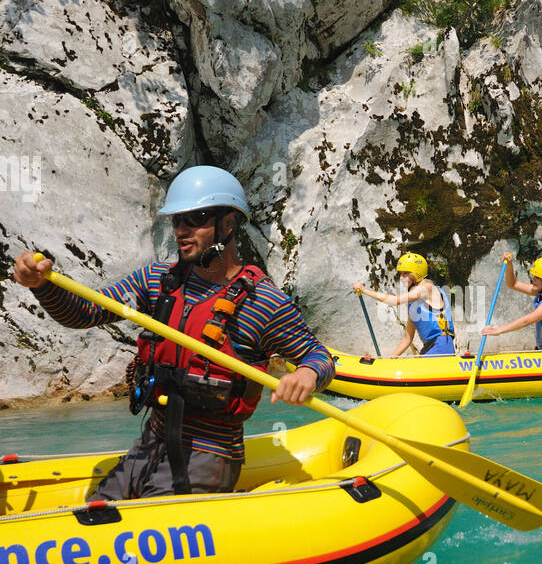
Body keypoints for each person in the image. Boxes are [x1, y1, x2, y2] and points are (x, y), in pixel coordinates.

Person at [12, 166, 335, 498]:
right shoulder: (156, 281)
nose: (182, 230)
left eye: (196, 218)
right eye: (177, 220)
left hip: (210, 454)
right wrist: (42, 286)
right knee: (97, 512)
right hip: (151, 440)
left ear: (228, 224)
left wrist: (309, 373)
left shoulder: (263, 302)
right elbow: (84, 313)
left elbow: (319, 356)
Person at [353, 253, 455, 356]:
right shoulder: (414, 304)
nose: (401, 278)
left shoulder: (427, 287)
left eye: (405, 273)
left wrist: (364, 290)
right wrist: (392, 359)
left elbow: (394, 301)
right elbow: (407, 338)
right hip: (430, 348)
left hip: (441, 347)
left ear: (416, 273)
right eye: (400, 274)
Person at [481, 255, 542, 349]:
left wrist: (497, 331)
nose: (533, 279)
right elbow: (513, 284)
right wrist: (509, 264)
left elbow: (526, 321)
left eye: (537, 277)